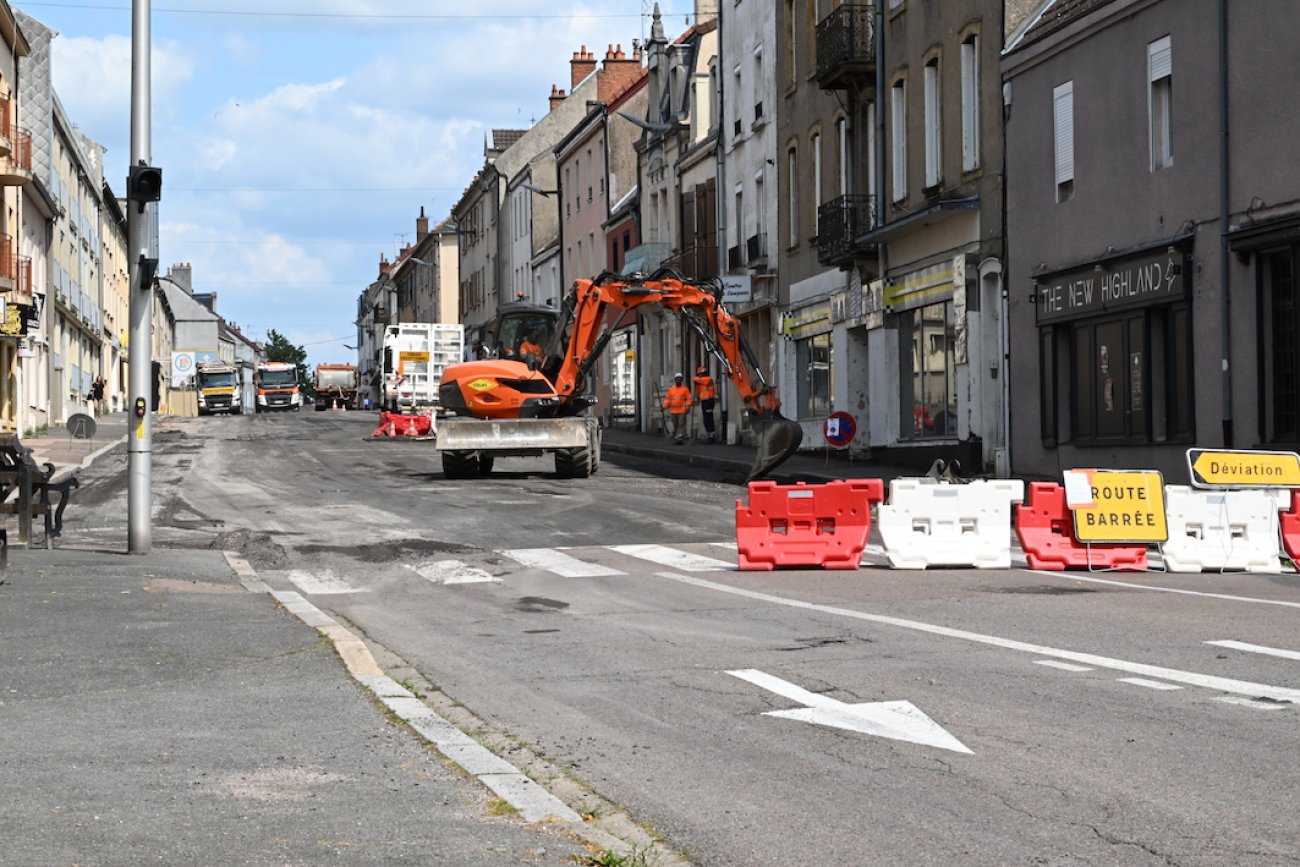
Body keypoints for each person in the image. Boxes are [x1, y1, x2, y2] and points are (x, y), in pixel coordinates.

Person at [662, 372, 693, 444]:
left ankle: (679, 438)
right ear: (675, 380)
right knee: (675, 425)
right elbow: (668, 399)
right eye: (677, 379)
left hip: (682, 410)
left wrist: (688, 406)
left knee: (681, 424)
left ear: (681, 380)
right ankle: (677, 437)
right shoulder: (671, 389)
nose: (678, 380)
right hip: (673, 410)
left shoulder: (685, 389)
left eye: (680, 379)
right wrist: (664, 406)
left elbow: (689, 398)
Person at [692, 365, 717, 444]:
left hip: (709, 401)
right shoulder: (701, 382)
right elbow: (698, 391)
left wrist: (696, 380)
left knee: (708, 419)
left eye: (700, 374)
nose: (700, 375)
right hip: (704, 401)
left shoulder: (708, 379)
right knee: (705, 420)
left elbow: (696, 379)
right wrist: (696, 397)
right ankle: (709, 435)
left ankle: (712, 436)